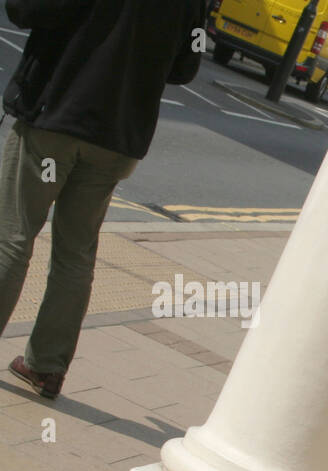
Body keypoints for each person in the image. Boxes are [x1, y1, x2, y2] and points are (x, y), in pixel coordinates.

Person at [1, 0, 207, 400]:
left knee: (13, 233)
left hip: (56, 114)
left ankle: (43, 363)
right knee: (75, 253)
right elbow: (186, 66)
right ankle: (46, 367)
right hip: (118, 137)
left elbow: (27, 10)